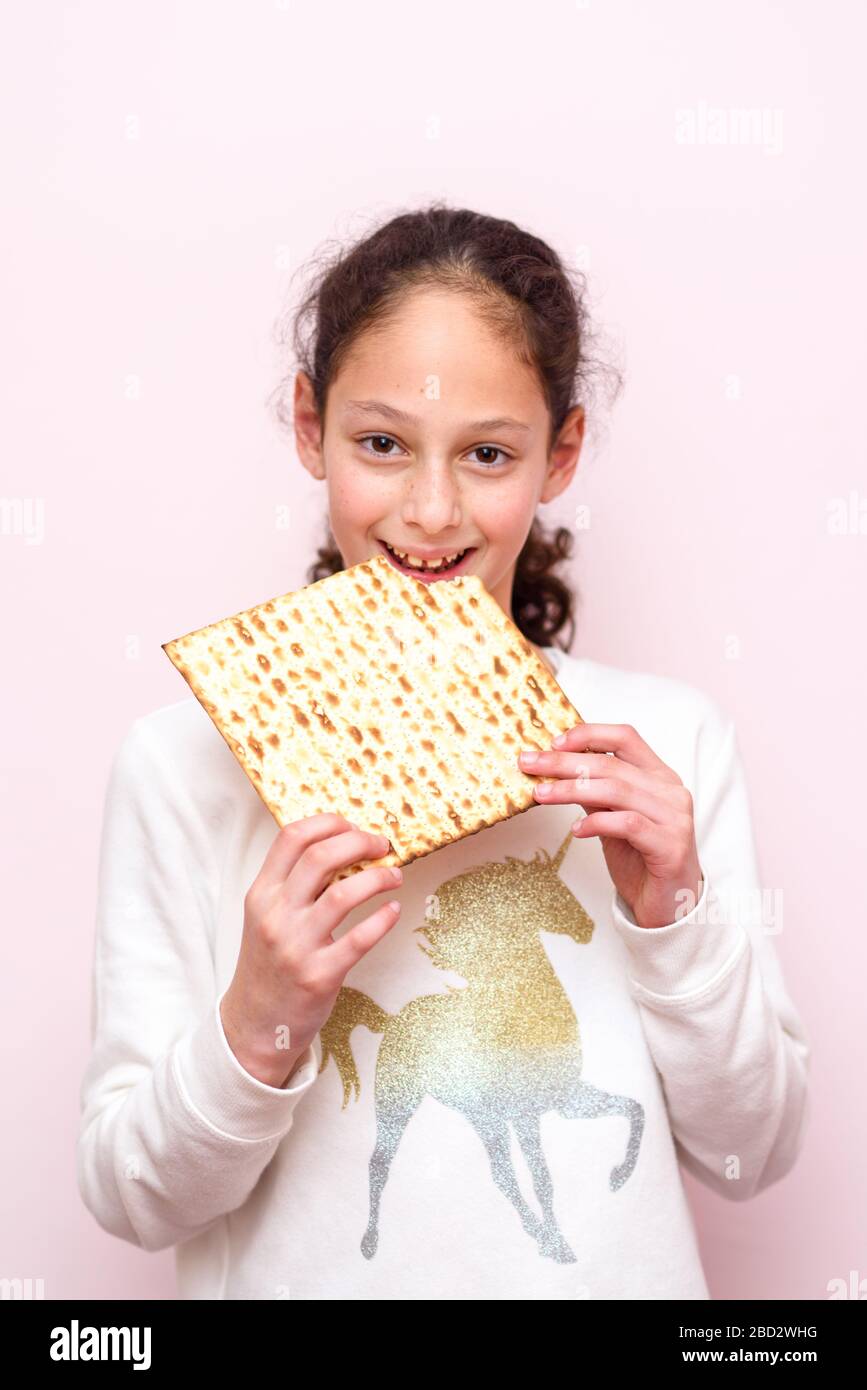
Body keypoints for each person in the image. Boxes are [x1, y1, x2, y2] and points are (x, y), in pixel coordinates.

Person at [77, 202, 810, 1299]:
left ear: (559, 455)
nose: (429, 509)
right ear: (306, 424)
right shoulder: (182, 766)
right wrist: (262, 1010)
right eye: (381, 444)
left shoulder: (666, 750)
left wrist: (675, 916)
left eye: (487, 453)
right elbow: (133, 1196)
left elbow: (755, 1152)